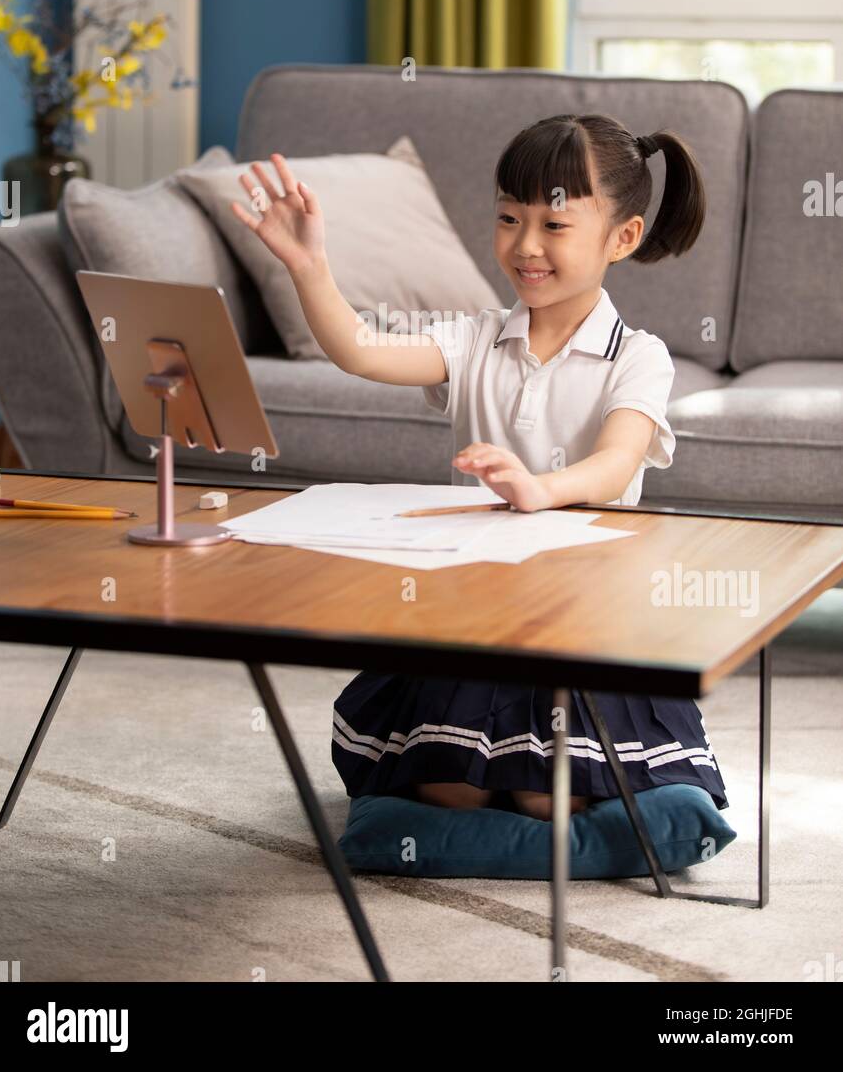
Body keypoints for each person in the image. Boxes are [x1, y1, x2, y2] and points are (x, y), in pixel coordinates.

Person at [231, 112, 728, 819]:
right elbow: (362, 350)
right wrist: (309, 266)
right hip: (476, 619)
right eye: (507, 218)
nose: (525, 246)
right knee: (451, 788)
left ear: (624, 238)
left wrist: (539, 489)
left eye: (554, 226)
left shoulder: (638, 356)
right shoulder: (474, 338)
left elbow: (617, 464)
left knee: (543, 796)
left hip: (584, 623)